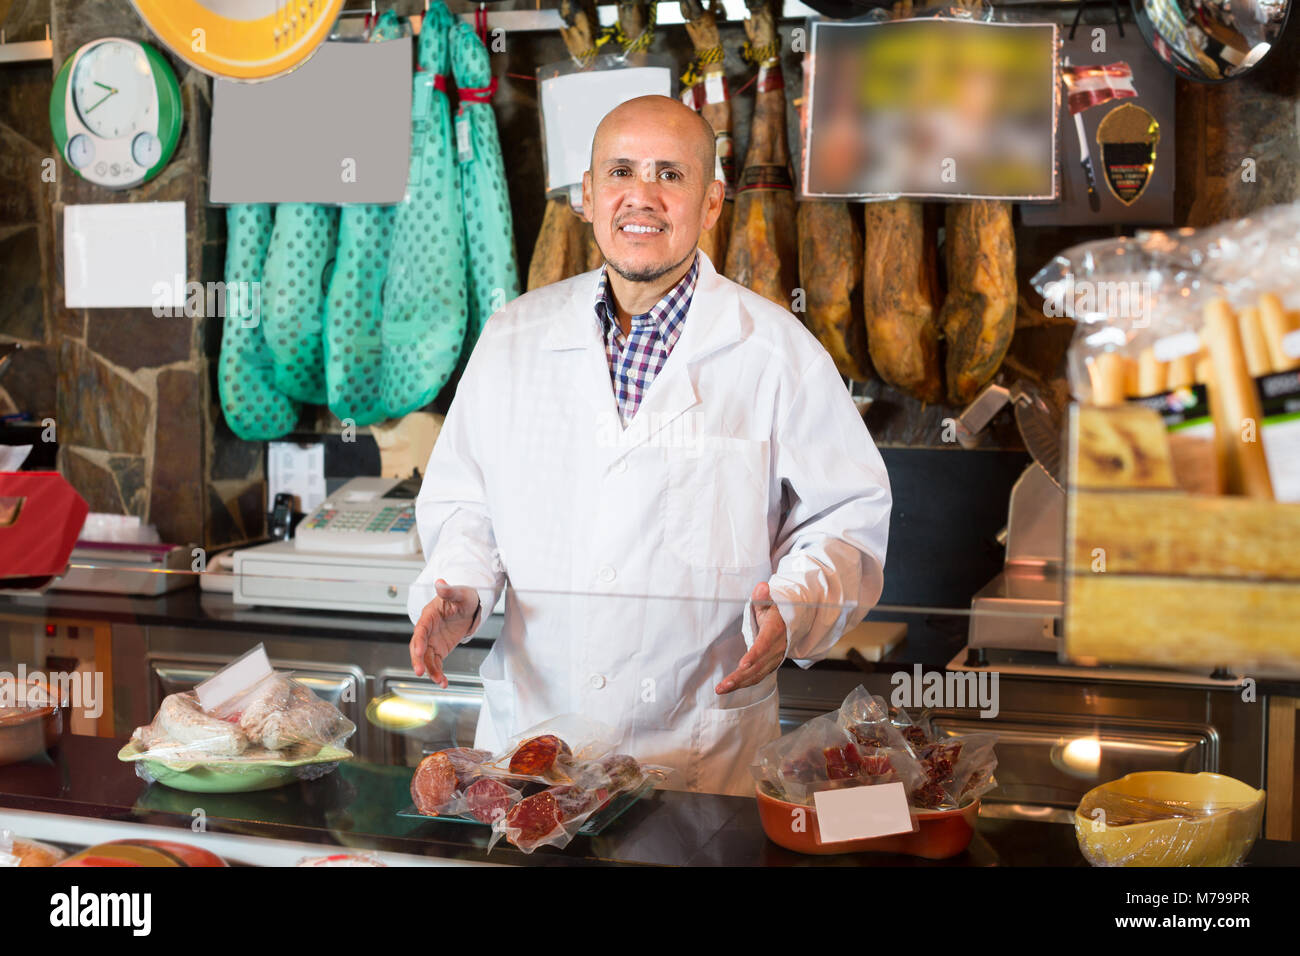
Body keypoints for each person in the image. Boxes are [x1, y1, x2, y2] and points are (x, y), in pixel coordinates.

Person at [408, 95, 891, 795]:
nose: (642, 196)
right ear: (588, 196)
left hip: (695, 757)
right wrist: (461, 589)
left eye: (670, 174)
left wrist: (795, 607)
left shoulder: (777, 352)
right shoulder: (513, 337)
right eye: (621, 172)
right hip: (532, 752)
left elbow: (847, 519)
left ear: (712, 201)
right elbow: (465, 504)